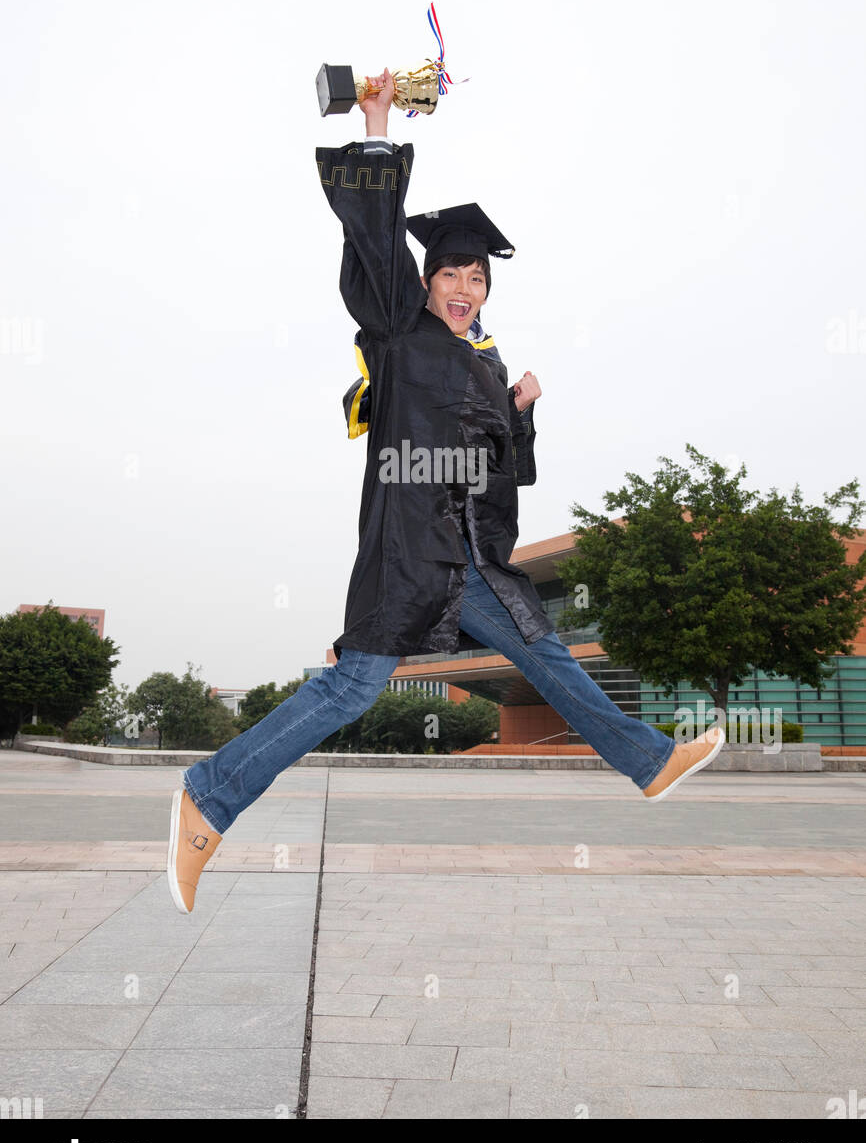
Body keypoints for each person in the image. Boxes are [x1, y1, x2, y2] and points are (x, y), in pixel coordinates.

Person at [166, 70, 724, 915]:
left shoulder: (486, 366)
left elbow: (509, 476)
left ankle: (648, 761)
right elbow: (379, 243)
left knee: (545, 649)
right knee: (352, 690)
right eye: (452, 275)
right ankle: (208, 798)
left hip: (469, 558)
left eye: (478, 281)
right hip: (406, 547)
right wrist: (381, 119)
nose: (464, 290)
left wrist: (520, 412)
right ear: (426, 282)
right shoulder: (397, 331)